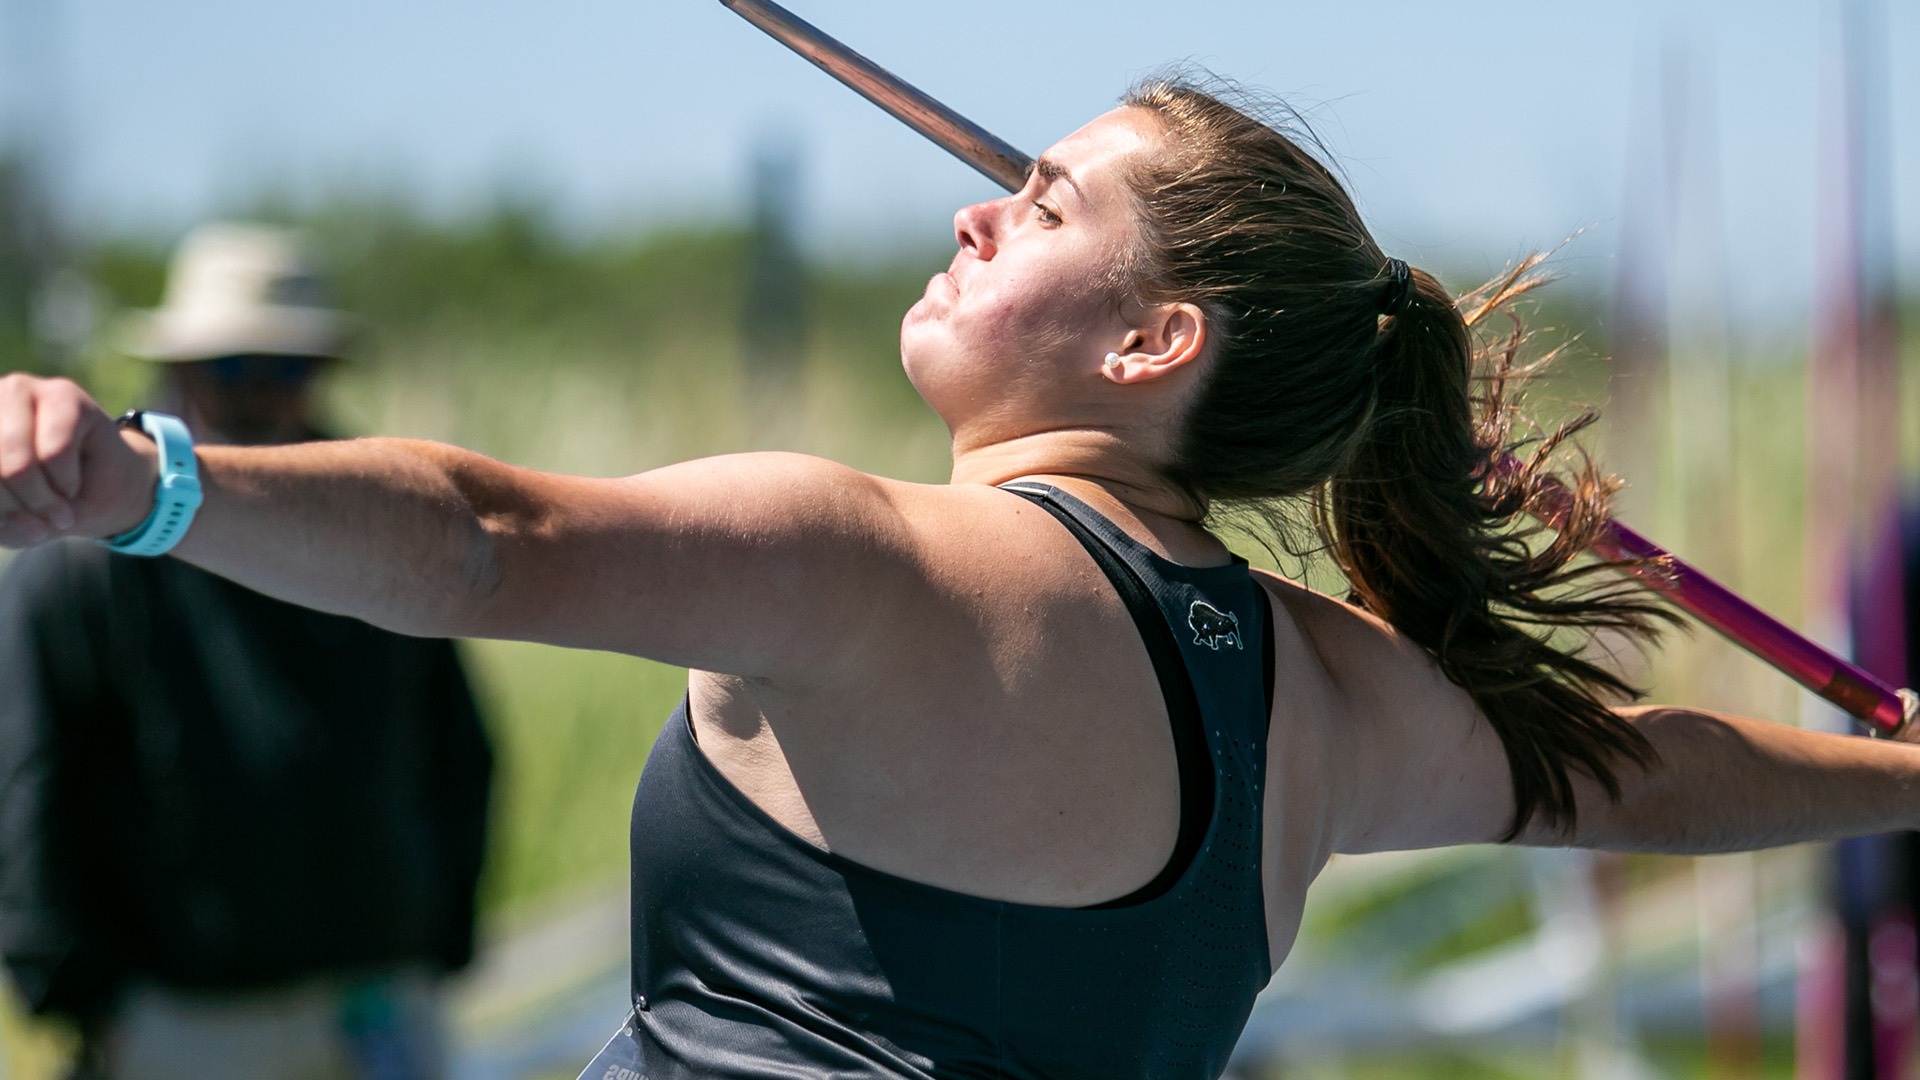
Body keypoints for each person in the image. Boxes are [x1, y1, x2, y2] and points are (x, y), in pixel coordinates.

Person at [0, 80, 1915, 1079]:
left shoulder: (873, 566)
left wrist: (145, 480)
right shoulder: (1330, 698)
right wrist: (1903, 776)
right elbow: (1644, 772)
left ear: (1156, 341)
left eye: (1046, 201)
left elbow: (487, 537)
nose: (973, 208)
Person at [0, 223, 493, 1080]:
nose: (262, 390)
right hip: (187, 1022)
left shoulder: (392, 529)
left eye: (289, 366)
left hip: (381, 1002)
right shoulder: (82, 560)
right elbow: (31, 788)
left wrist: (441, 942)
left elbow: (457, 747)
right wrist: (84, 1001)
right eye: (233, 365)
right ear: (182, 368)